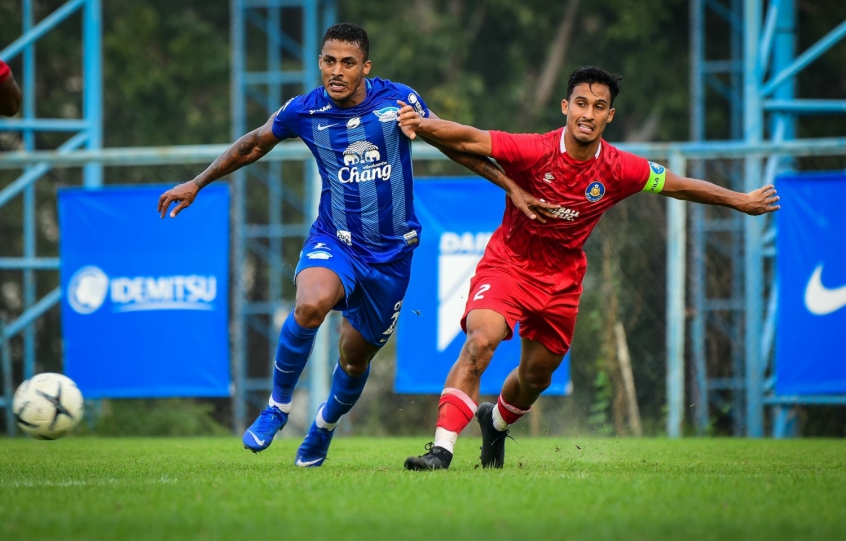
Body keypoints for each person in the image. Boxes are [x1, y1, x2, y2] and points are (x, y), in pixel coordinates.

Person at [157, 23, 554, 467]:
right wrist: (197, 182)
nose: (337, 71)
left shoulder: (399, 100)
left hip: (391, 256)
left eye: (348, 63)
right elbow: (252, 145)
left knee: (352, 359)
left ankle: (324, 426)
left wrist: (510, 186)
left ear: (366, 66)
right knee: (311, 304)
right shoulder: (304, 111)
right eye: (329, 61)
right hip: (336, 240)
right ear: (320, 63)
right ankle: (277, 408)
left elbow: (454, 146)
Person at [399, 66, 780, 471]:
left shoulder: (620, 169)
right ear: (565, 107)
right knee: (480, 342)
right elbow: (471, 138)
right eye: (581, 103)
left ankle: (494, 424)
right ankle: (441, 451)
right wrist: (420, 123)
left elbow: (678, 185)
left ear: (609, 116)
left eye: (599, 107)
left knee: (535, 377)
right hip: (508, 266)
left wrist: (741, 200)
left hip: (562, 283)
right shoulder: (534, 150)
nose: (588, 114)